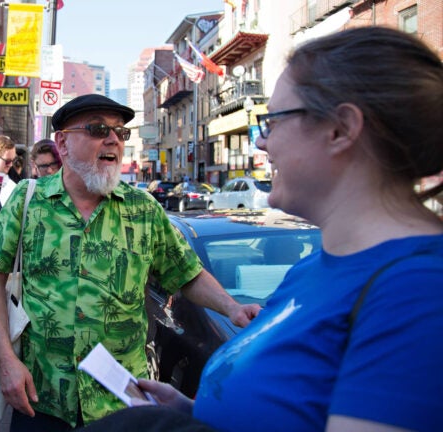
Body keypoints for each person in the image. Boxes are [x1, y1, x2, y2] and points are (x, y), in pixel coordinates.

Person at [77, 26, 443, 432]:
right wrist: (190, 412)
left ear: (341, 130)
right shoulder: (313, 269)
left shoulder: (419, 289)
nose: (261, 144)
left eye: (273, 121)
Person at [0, 94, 260, 431]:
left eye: (120, 132)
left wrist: (232, 307)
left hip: (122, 404)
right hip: (42, 399)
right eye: (98, 129)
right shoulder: (29, 201)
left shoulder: (143, 209)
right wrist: (6, 359)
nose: (113, 139)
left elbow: (187, 274)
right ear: (63, 143)